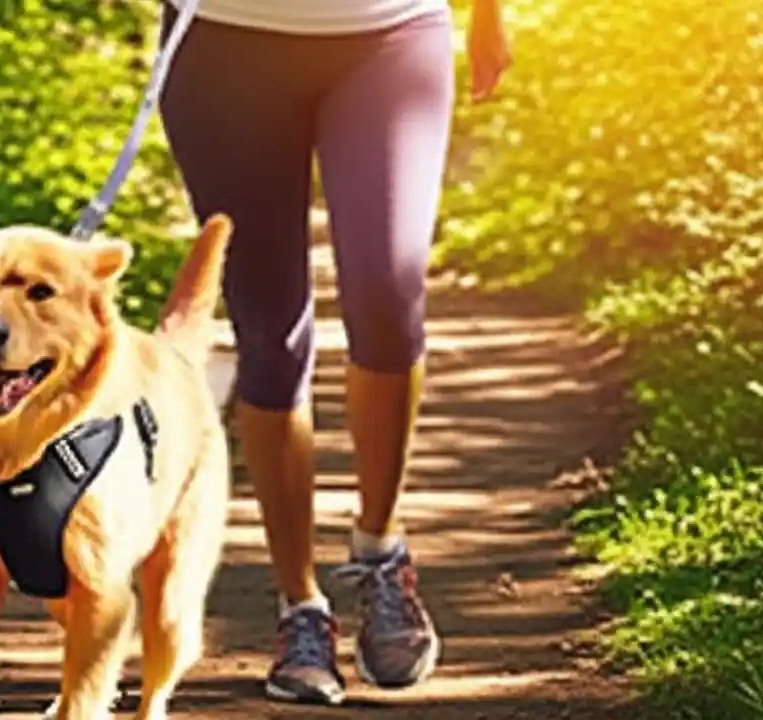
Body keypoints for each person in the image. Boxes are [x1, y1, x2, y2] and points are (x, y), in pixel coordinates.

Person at [158, 0, 512, 705]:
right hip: (224, 43)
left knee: (388, 295)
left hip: (388, 32)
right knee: (269, 335)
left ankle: (382, 552)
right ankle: (301, 611)